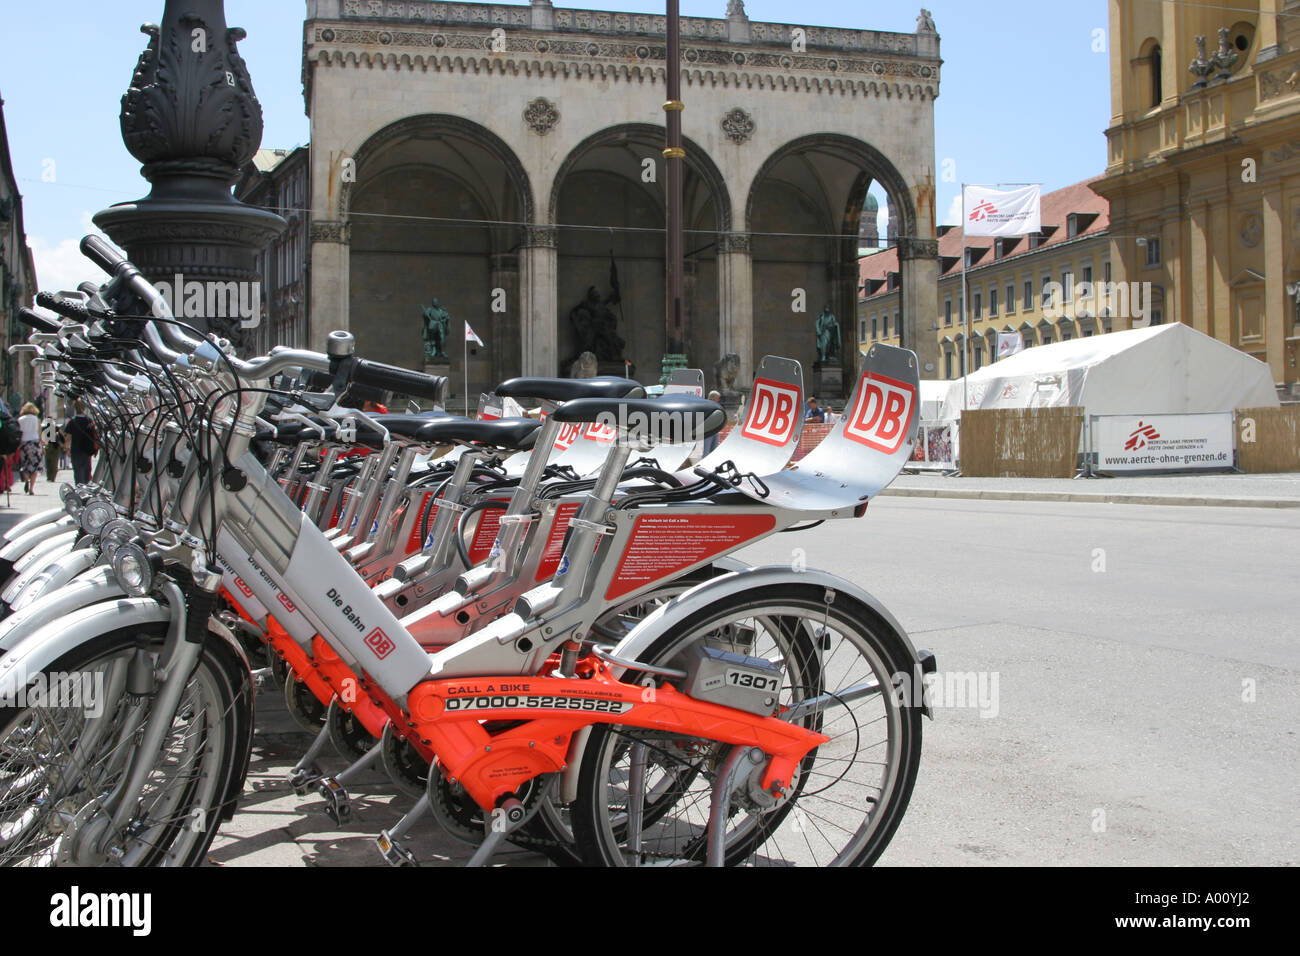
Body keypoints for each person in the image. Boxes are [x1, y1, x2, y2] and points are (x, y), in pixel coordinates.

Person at [66, 399, 98, 486]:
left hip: (76, 449)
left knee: (77, 470)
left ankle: (79, 488)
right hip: (87, 449)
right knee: (87, 469)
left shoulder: (72, 422)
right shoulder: (89, 421)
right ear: (84, 408)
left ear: (75, 408)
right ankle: (86, 486)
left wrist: (67, 449)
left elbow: (68, 437)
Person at [16, 402, 42, 495]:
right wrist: (42, 446)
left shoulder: (20, 420)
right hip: (34, 443)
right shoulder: (36, 419)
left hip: (24, 444)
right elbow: (39, 433)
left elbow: (18, 433)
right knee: (34, 466)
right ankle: (31, 488)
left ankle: (26, 480)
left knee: (25, 464)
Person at [41, 414, 64, 483]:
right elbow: (62, 436)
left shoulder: (44, 428)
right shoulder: (56, 427)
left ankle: (49, 477)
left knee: (48, 462)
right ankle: (53, 477)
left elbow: (42, 437)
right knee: (55, 462)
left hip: (47, 445)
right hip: (55, 446)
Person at [703, 390, 724, 456]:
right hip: (707, 431)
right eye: (718, 398)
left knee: (714, 450)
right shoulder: (705, 405)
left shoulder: (716, 405)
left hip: (715, 430)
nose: (719, 400)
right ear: (713, 398)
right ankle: (704, 464)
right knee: (706, 450)